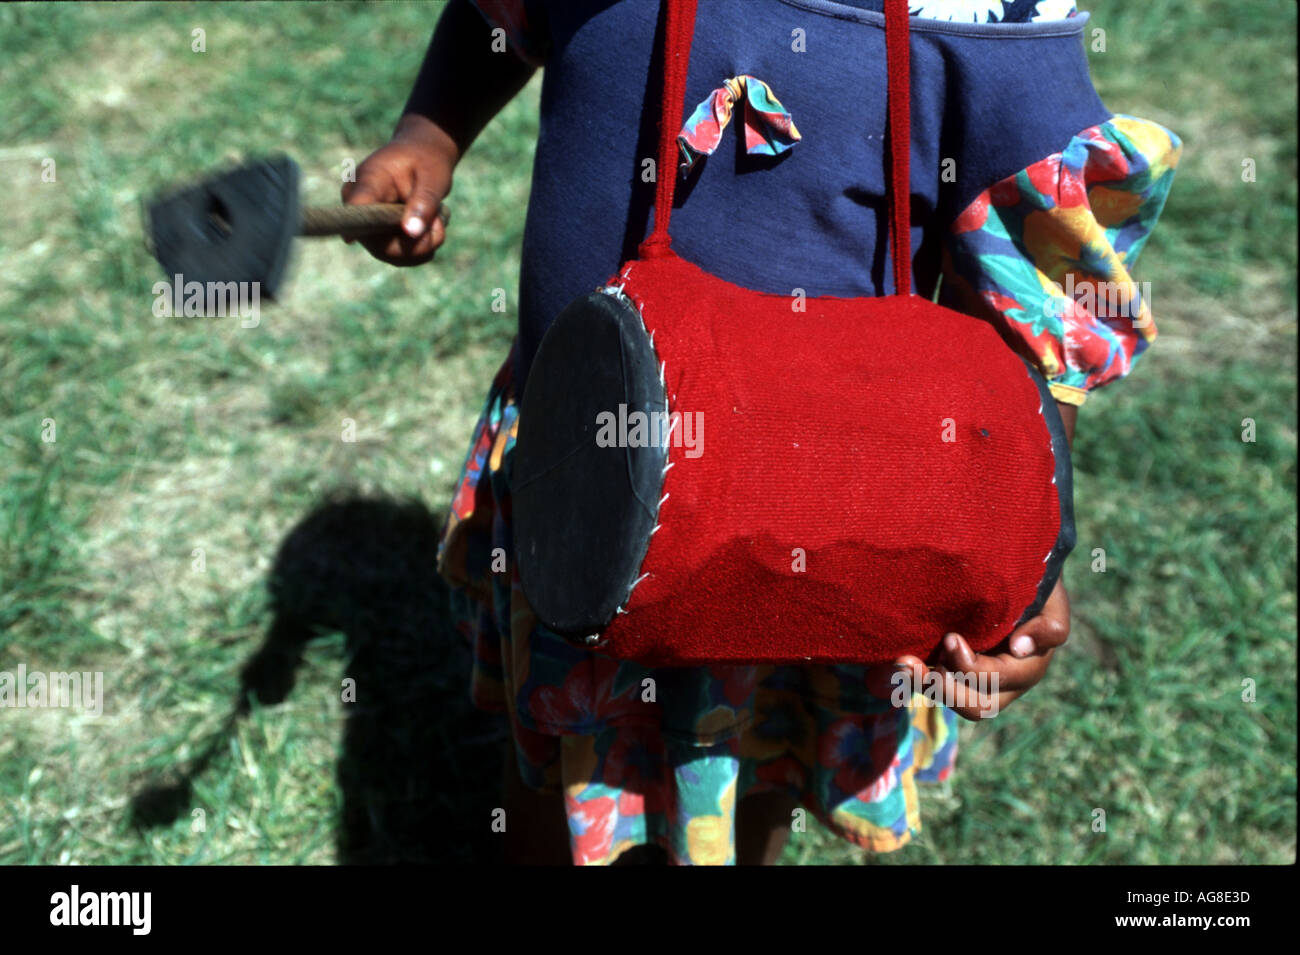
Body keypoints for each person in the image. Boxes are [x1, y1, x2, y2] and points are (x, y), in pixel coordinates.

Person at [343, 0, 1181, 865]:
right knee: (560, 773)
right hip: (586, 472)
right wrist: (430, 137)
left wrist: (1026, 544)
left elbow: (1036, 275)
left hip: (809, 532)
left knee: (742, 786)